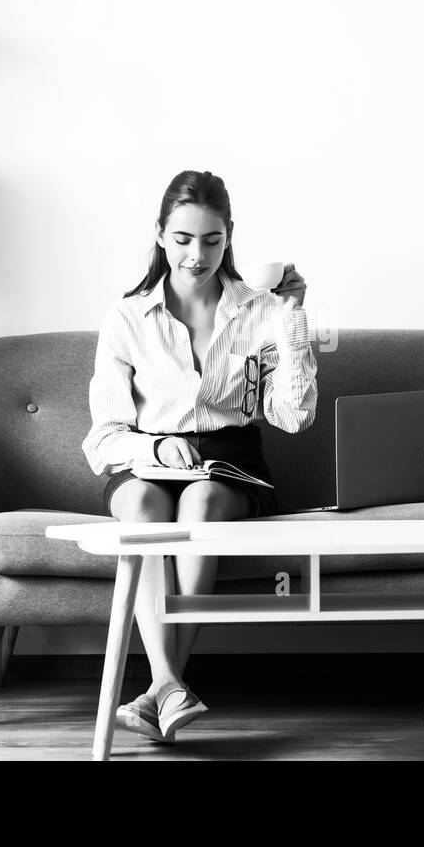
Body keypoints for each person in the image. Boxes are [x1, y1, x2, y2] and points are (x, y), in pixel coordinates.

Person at [81, 169, 318, 743]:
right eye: (183, 239)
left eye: (212, 241)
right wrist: (157, 446)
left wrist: (293, 317)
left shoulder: (258, 310)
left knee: (203, 500)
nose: (197, 255)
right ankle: (168, 683)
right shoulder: (127, 318)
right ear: (161, 235)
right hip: (149, 460)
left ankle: (159, 686)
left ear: (229, 236)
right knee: (139, 502)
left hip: (228, 467)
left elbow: (294, 416)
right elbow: (103, 438)